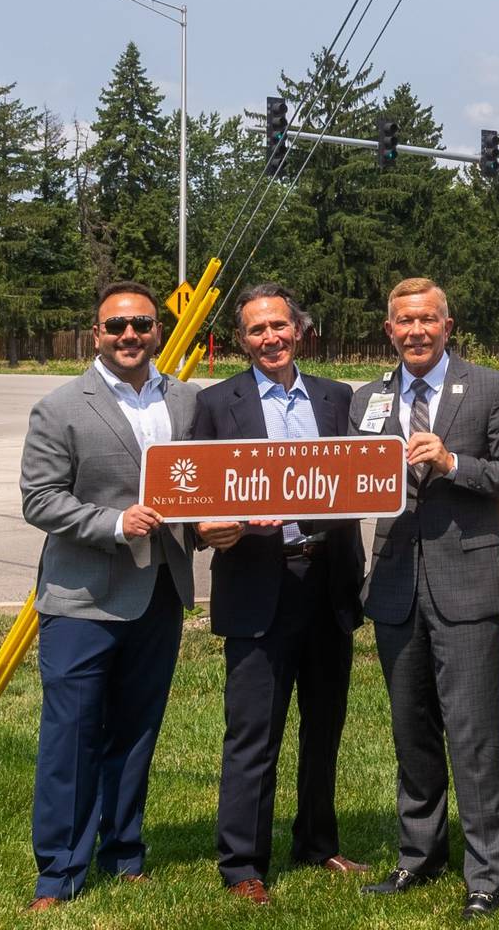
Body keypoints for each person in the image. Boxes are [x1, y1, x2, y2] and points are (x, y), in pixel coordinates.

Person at [348, 277, 499, 920]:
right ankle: (418, 856)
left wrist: (455, 463)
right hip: (396, 586)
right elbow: (345, 486)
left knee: (475, 735)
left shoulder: (488, 388)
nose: (416, 331)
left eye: (428, 320)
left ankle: (486, 871)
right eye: (404, 321)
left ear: (447, 326)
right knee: (411, 733)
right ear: (389, 330)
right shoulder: (367, 399)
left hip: (467, 585)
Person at [19, 281, 199, 910]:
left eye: (142, 324)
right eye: (116, 325)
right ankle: (60, 871)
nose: (130, 335)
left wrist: (218, 526)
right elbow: (40, 499)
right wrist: (116, 524)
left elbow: (196, 491)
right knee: (71, 734)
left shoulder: (186, 400)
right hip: (81, 598)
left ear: (157, 330)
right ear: (96, 333)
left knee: (135, 730)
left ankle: (124, 851)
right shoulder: (61, 406)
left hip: (160, 594)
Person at [193, 283, 368, 904]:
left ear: (300, 330)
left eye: (279, 327)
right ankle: (243, 864)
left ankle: (318, 842)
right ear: (242, 341)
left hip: (328, 581)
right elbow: (193, 497)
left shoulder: (337, 398)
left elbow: (363, 475)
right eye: (256, 331)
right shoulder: (216, 404)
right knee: (252, 733)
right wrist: (209, 528)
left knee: (324, 727)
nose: (269, 339)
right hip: (257, 584)